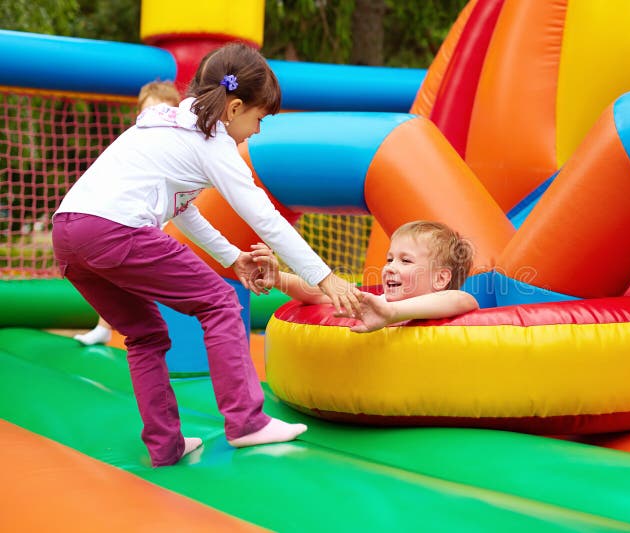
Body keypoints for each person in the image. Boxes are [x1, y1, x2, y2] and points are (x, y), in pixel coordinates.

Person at [51, 43, 362, 467]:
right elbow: (266, 218)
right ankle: (247, 421)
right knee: (218, 302)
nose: (256, 131)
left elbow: (183, 207)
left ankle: (165, 444)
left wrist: (233, 257)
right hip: (115, 229)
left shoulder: (167, 122)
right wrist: (325, 277)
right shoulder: (211, 143)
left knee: (145, 334)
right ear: (234, 108)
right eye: (258, 119)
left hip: (68, 231)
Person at [74, 81, 183, 347]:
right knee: (114, 268)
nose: (155, 119)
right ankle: (104, 325)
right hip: (136, 221)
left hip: (171, 221)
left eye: (163, 112)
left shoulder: (179, 147)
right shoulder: (132, 145)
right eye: (148, 112)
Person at [252, 220, 479, 332]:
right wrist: (279, 278)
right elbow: (320, 295)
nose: (390, 267)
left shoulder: (448, 305)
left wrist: (392, 314)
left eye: (406, 260)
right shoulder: (379, 303)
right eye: (390, 259)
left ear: (440, 279)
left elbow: (463, 299)